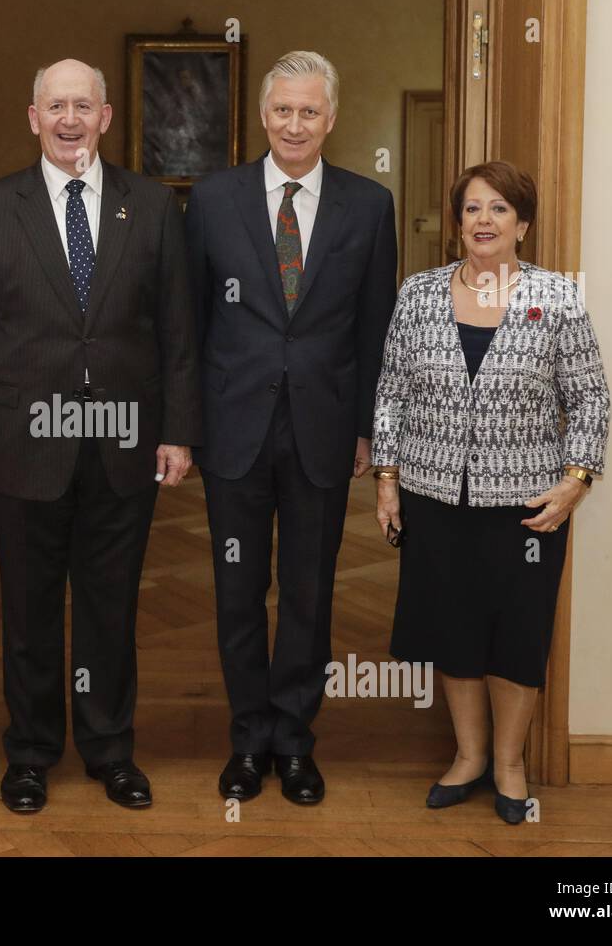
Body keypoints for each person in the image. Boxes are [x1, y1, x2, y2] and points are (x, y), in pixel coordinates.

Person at [0, 58, 200, 813]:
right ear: (33, 118)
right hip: (24, 443)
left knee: (111, 607)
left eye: (82, 106)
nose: (68, 119)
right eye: (55, 106)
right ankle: (28, 755)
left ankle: (109, 750)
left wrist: (179, 432)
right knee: (27, 611)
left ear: (106, 116)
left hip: (125, 442)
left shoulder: (152, 207)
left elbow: (179, 333)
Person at [185, 50, 397, 806]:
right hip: (234, 430)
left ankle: (295, 743)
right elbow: (191, 325)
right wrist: (185, 426)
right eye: (283, 110)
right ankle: (249, 742)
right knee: (238, 592)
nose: (296, 124)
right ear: (263, 116)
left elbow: (376, 327)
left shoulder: (369, 206)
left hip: (323, 429)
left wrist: (373, 427)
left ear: (331, 118)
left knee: (309, 593)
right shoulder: (213, 200)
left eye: (310, 111)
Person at [371, 160, 610, 824]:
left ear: (522, 224)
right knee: (455, 630)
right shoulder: (416, 294)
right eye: (473, 208)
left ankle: (509, 764)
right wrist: (387, 480)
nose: (484, 220)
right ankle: (469, 756)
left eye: (499, 209)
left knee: (516, 634)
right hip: (433, 494)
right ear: (458, 222)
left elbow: (590, 399)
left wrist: (575, 482)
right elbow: (389, 393)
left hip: (529, 506)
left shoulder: (555, 298)